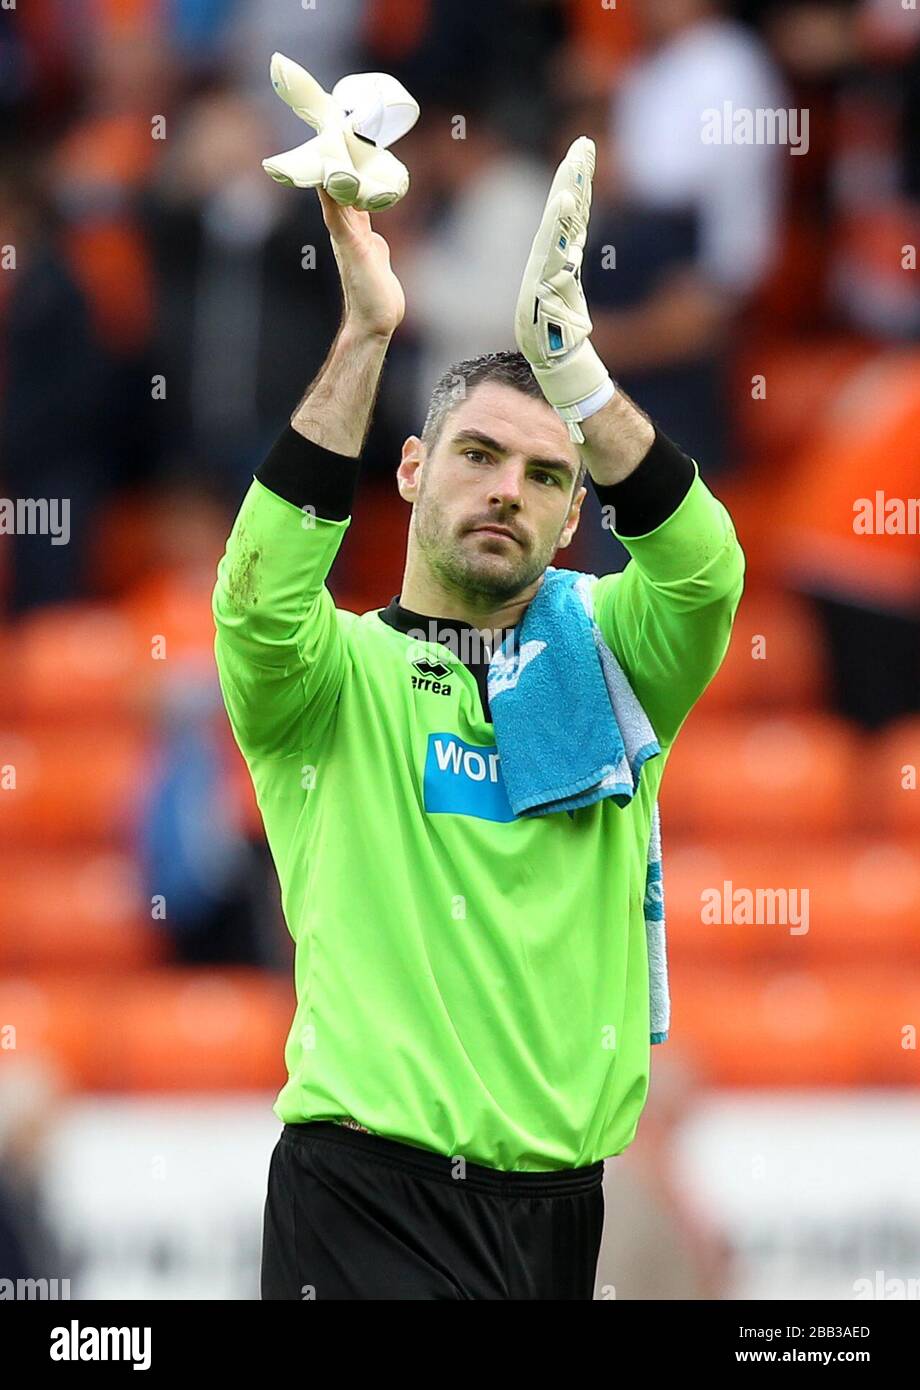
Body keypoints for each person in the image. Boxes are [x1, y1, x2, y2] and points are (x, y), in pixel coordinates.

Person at [212, 144, 745, 1299]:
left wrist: (582, 383)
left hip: (558, 1213)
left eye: (546, 476)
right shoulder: (329, 677)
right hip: (364, 1199)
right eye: (477, 454)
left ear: (568, 525)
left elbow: (702, 572)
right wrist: (365, 333)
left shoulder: (608, 659)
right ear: (410, 470)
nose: (508, 486)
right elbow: (256, 596)